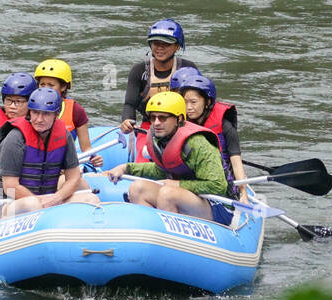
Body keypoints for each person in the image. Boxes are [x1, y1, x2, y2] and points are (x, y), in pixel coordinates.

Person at [104, 90, 233, 225]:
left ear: (180, 119)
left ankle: (173, 239)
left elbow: (218, 186)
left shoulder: (198, 144)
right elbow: (161, 170)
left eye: (163, 118)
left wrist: (178, 184)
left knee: (167, 195)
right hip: (186, 197)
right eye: (153, 118)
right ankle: (151, 231)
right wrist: (125, 168)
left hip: (217, 205)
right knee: (137, 188)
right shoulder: (163, 139)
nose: (156, 123)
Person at [0, 87, 99, 217]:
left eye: (45, 114)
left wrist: (57, 197)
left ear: (56, 115)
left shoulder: (64, 135)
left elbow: (74, 177)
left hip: (49, 199)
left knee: (91, 199)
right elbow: (10, 187)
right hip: (12, 203)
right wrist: (42, 202)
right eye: (35, 112)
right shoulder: (15, 139)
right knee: (32, 205)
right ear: (29, 113)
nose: (39, 119)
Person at [175, 70, 249, 203]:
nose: (188, 108)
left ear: (207, 102)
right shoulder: (180, 123)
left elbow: (236, 162)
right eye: (185, 102)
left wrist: (243, 192)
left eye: (193, 102)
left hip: (220, 180)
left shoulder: (225, 127)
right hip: (194, 179)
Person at [119, 19, 198, 134]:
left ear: (177, 46)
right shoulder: (138, 70)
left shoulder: (188, 68)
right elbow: (130, 104)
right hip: (150, 126)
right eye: (156, 43)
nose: (160, 48)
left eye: (166, 44)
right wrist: (127, 121)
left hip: (182, 126)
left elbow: (199, 100)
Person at [33, 58, 101, 167]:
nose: (46, 89)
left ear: (63, 87)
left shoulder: (76, 110)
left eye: (51, 85)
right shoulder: (31, 107)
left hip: (64, 165)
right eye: (42, 84)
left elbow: (86, 148)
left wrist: (94, 158)